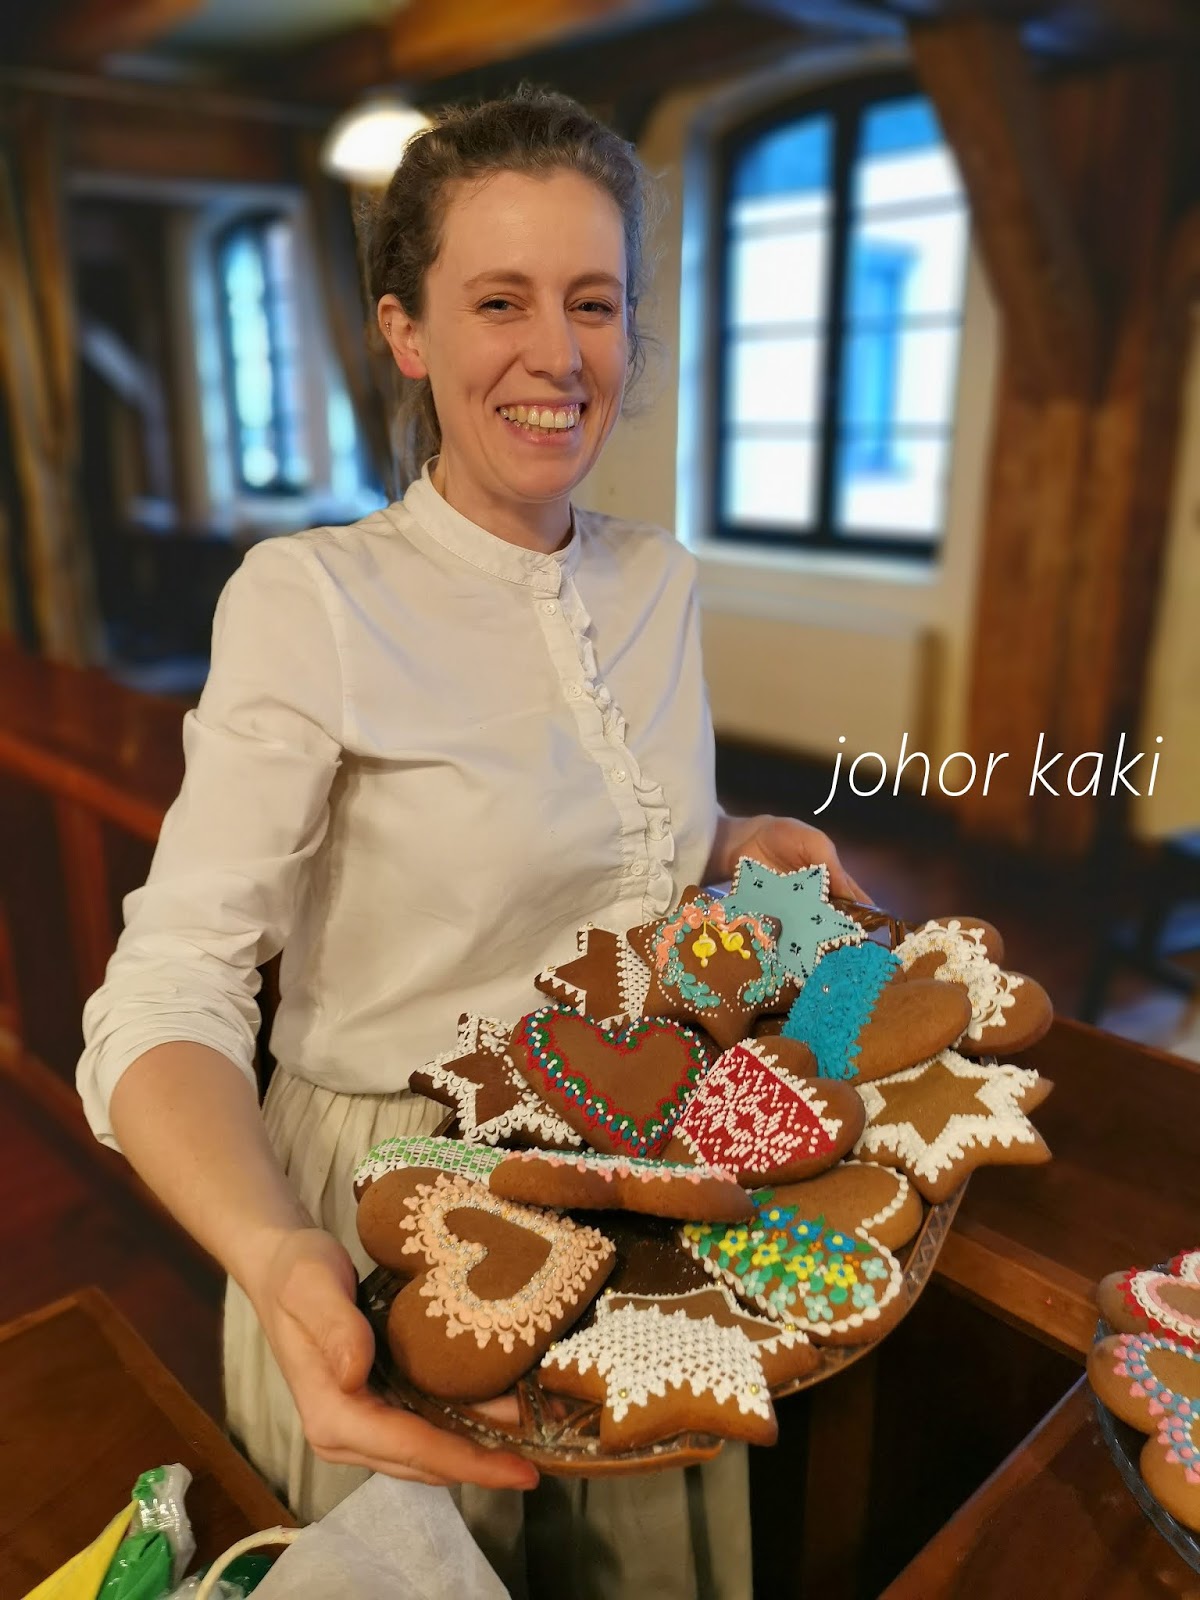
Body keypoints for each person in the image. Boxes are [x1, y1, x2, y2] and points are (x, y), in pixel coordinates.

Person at [77, 87, 867, 1600]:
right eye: (496, 300)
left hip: (642, 1146)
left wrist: (739, 840)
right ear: (408, 332)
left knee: (643, 1559)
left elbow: (641, 843)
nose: (555, 352)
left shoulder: (660, 580)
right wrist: (274, 1254)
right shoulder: (311, 601)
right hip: (395, 1193)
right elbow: (172, 981)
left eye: (593, 302)